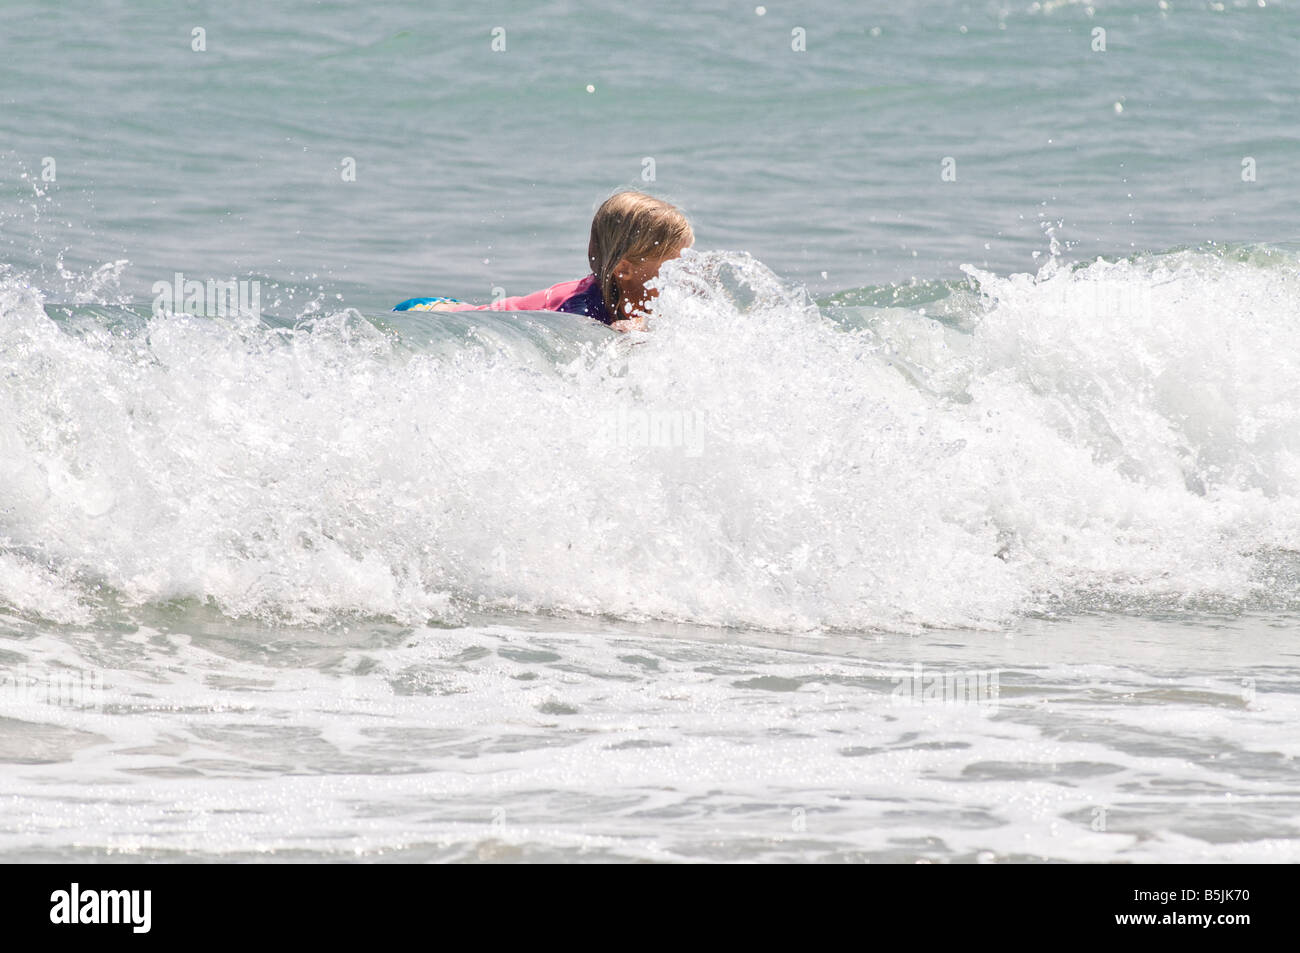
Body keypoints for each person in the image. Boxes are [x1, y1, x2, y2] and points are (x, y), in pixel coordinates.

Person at [395, 190, 693, 332]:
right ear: (624, 270)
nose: (684, 274)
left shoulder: (639, 293)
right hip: (429, 314)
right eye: (673, 265)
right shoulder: (579, 310)